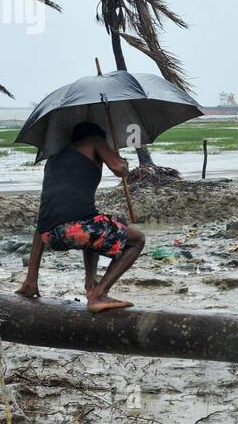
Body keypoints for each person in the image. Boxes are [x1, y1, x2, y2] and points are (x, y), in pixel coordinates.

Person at [15, 121, 145, 312]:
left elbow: (41, 225)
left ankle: (35, 282)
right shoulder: (94, 140)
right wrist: (122, 163)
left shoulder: (54, 159)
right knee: (137, 240)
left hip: (48, 235)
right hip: (75, 230)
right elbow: (118, 169)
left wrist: (31, 278)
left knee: (98, 220)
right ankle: (98, 295)